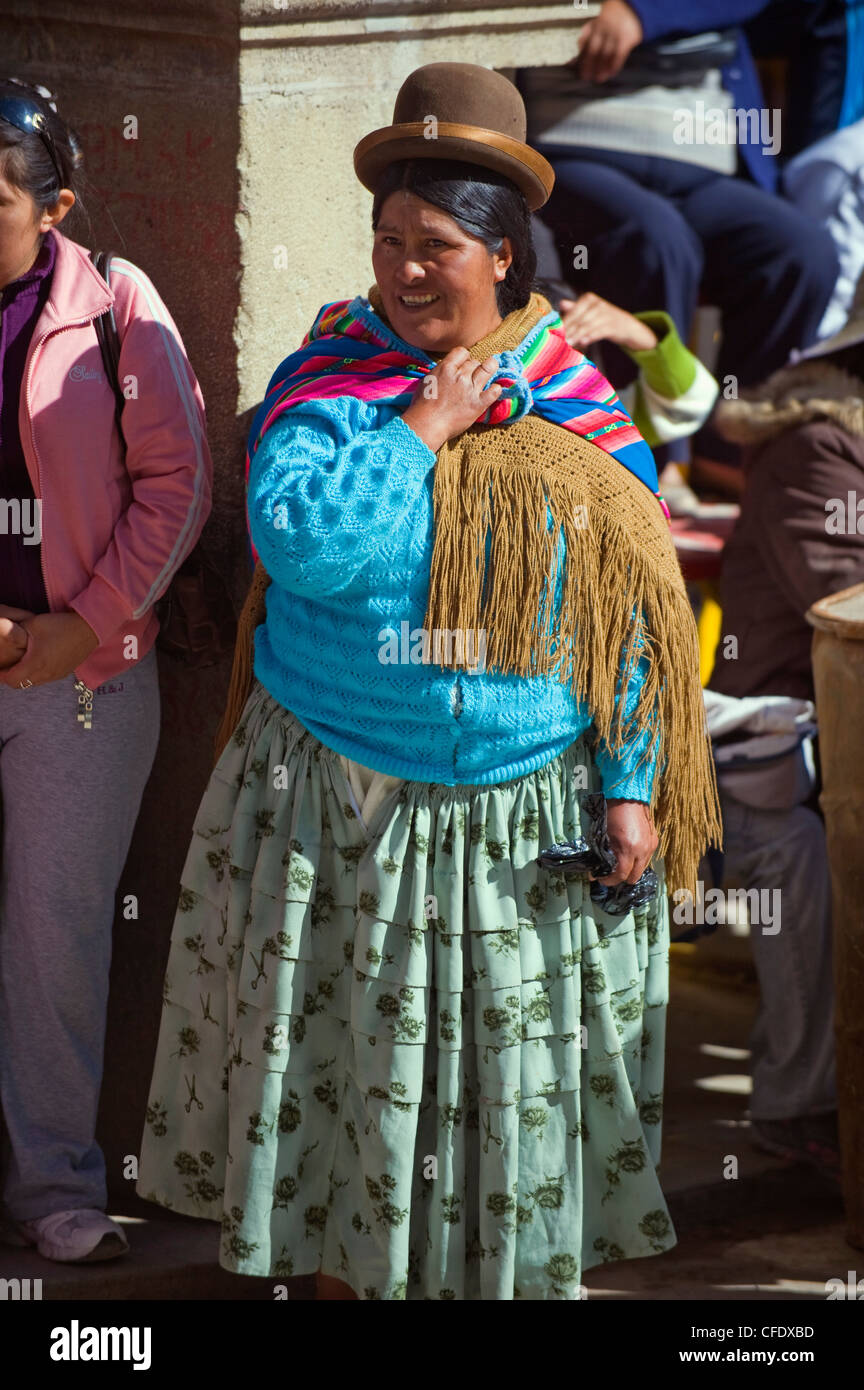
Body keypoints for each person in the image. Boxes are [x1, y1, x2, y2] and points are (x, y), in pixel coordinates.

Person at [136, 63, 719, 1301]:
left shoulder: (575, 408)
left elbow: (625, 622)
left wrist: (630, 787)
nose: (404, 270)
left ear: (506, 256)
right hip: (342, 814)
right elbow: (298, 542)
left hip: (519, 822)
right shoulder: (337, 381)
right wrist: (422, 429)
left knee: (501, 1123)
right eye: (387, 241)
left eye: (438, 245)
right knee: (343, 1107)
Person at [0, 79, 212, 1263]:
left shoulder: (119, 308)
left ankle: (54, 1188)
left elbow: (176, 488)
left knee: (54, 940)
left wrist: (85, 620)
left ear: (56, 206)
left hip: (83, 681)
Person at [518, 0, 840, 498]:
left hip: (702, 160)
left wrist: (643, 12)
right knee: (657, 240)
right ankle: (647, 459)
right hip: (576, 147)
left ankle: (728, 445)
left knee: (801, 252)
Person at [703, 279, 864, 1178]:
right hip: (769, 751)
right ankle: (802, 1105)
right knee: (803, 855)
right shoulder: (819, 448)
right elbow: (846, 610)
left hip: (838, 749)